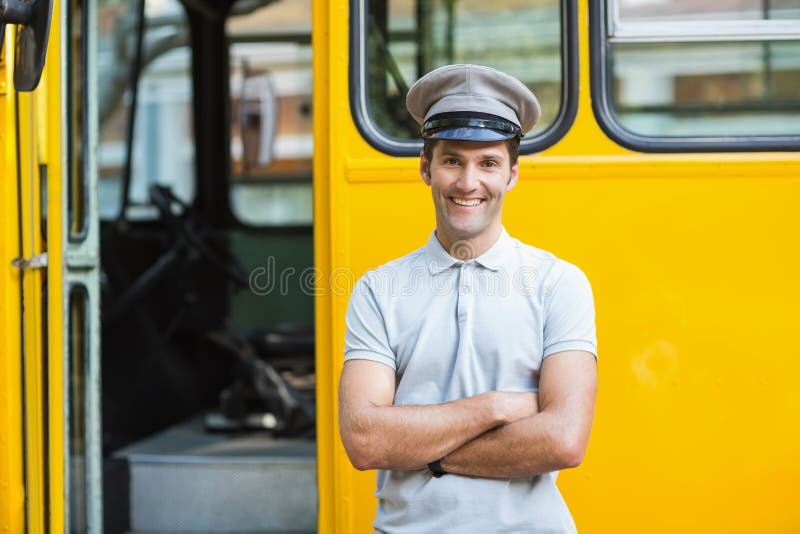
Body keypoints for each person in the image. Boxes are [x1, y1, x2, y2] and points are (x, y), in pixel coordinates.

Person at [338, 64, 598, 533]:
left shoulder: (560, 283)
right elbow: (365, 441)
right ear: (426, 167)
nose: (468, 182)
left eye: (488, 163)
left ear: (512, 174)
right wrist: (496, 408)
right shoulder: (377, 290)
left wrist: (429, 455)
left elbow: (563, 440)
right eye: (452, 160)